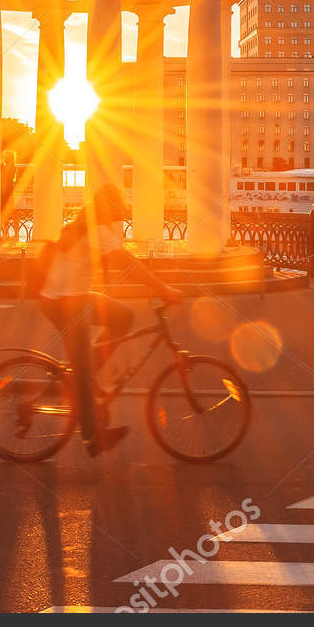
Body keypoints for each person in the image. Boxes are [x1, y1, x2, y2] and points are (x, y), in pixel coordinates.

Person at [38, 183, 183, 457]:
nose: (122, 211)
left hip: (74, 297)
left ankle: (89, 370)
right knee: (80, 370)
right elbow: (127, 263)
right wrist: (163, 290)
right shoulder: (96, 230)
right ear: (108, 207)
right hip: (64, 303)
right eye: (118, 206)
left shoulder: (87, 225)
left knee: (123, 317)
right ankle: (93, 436)